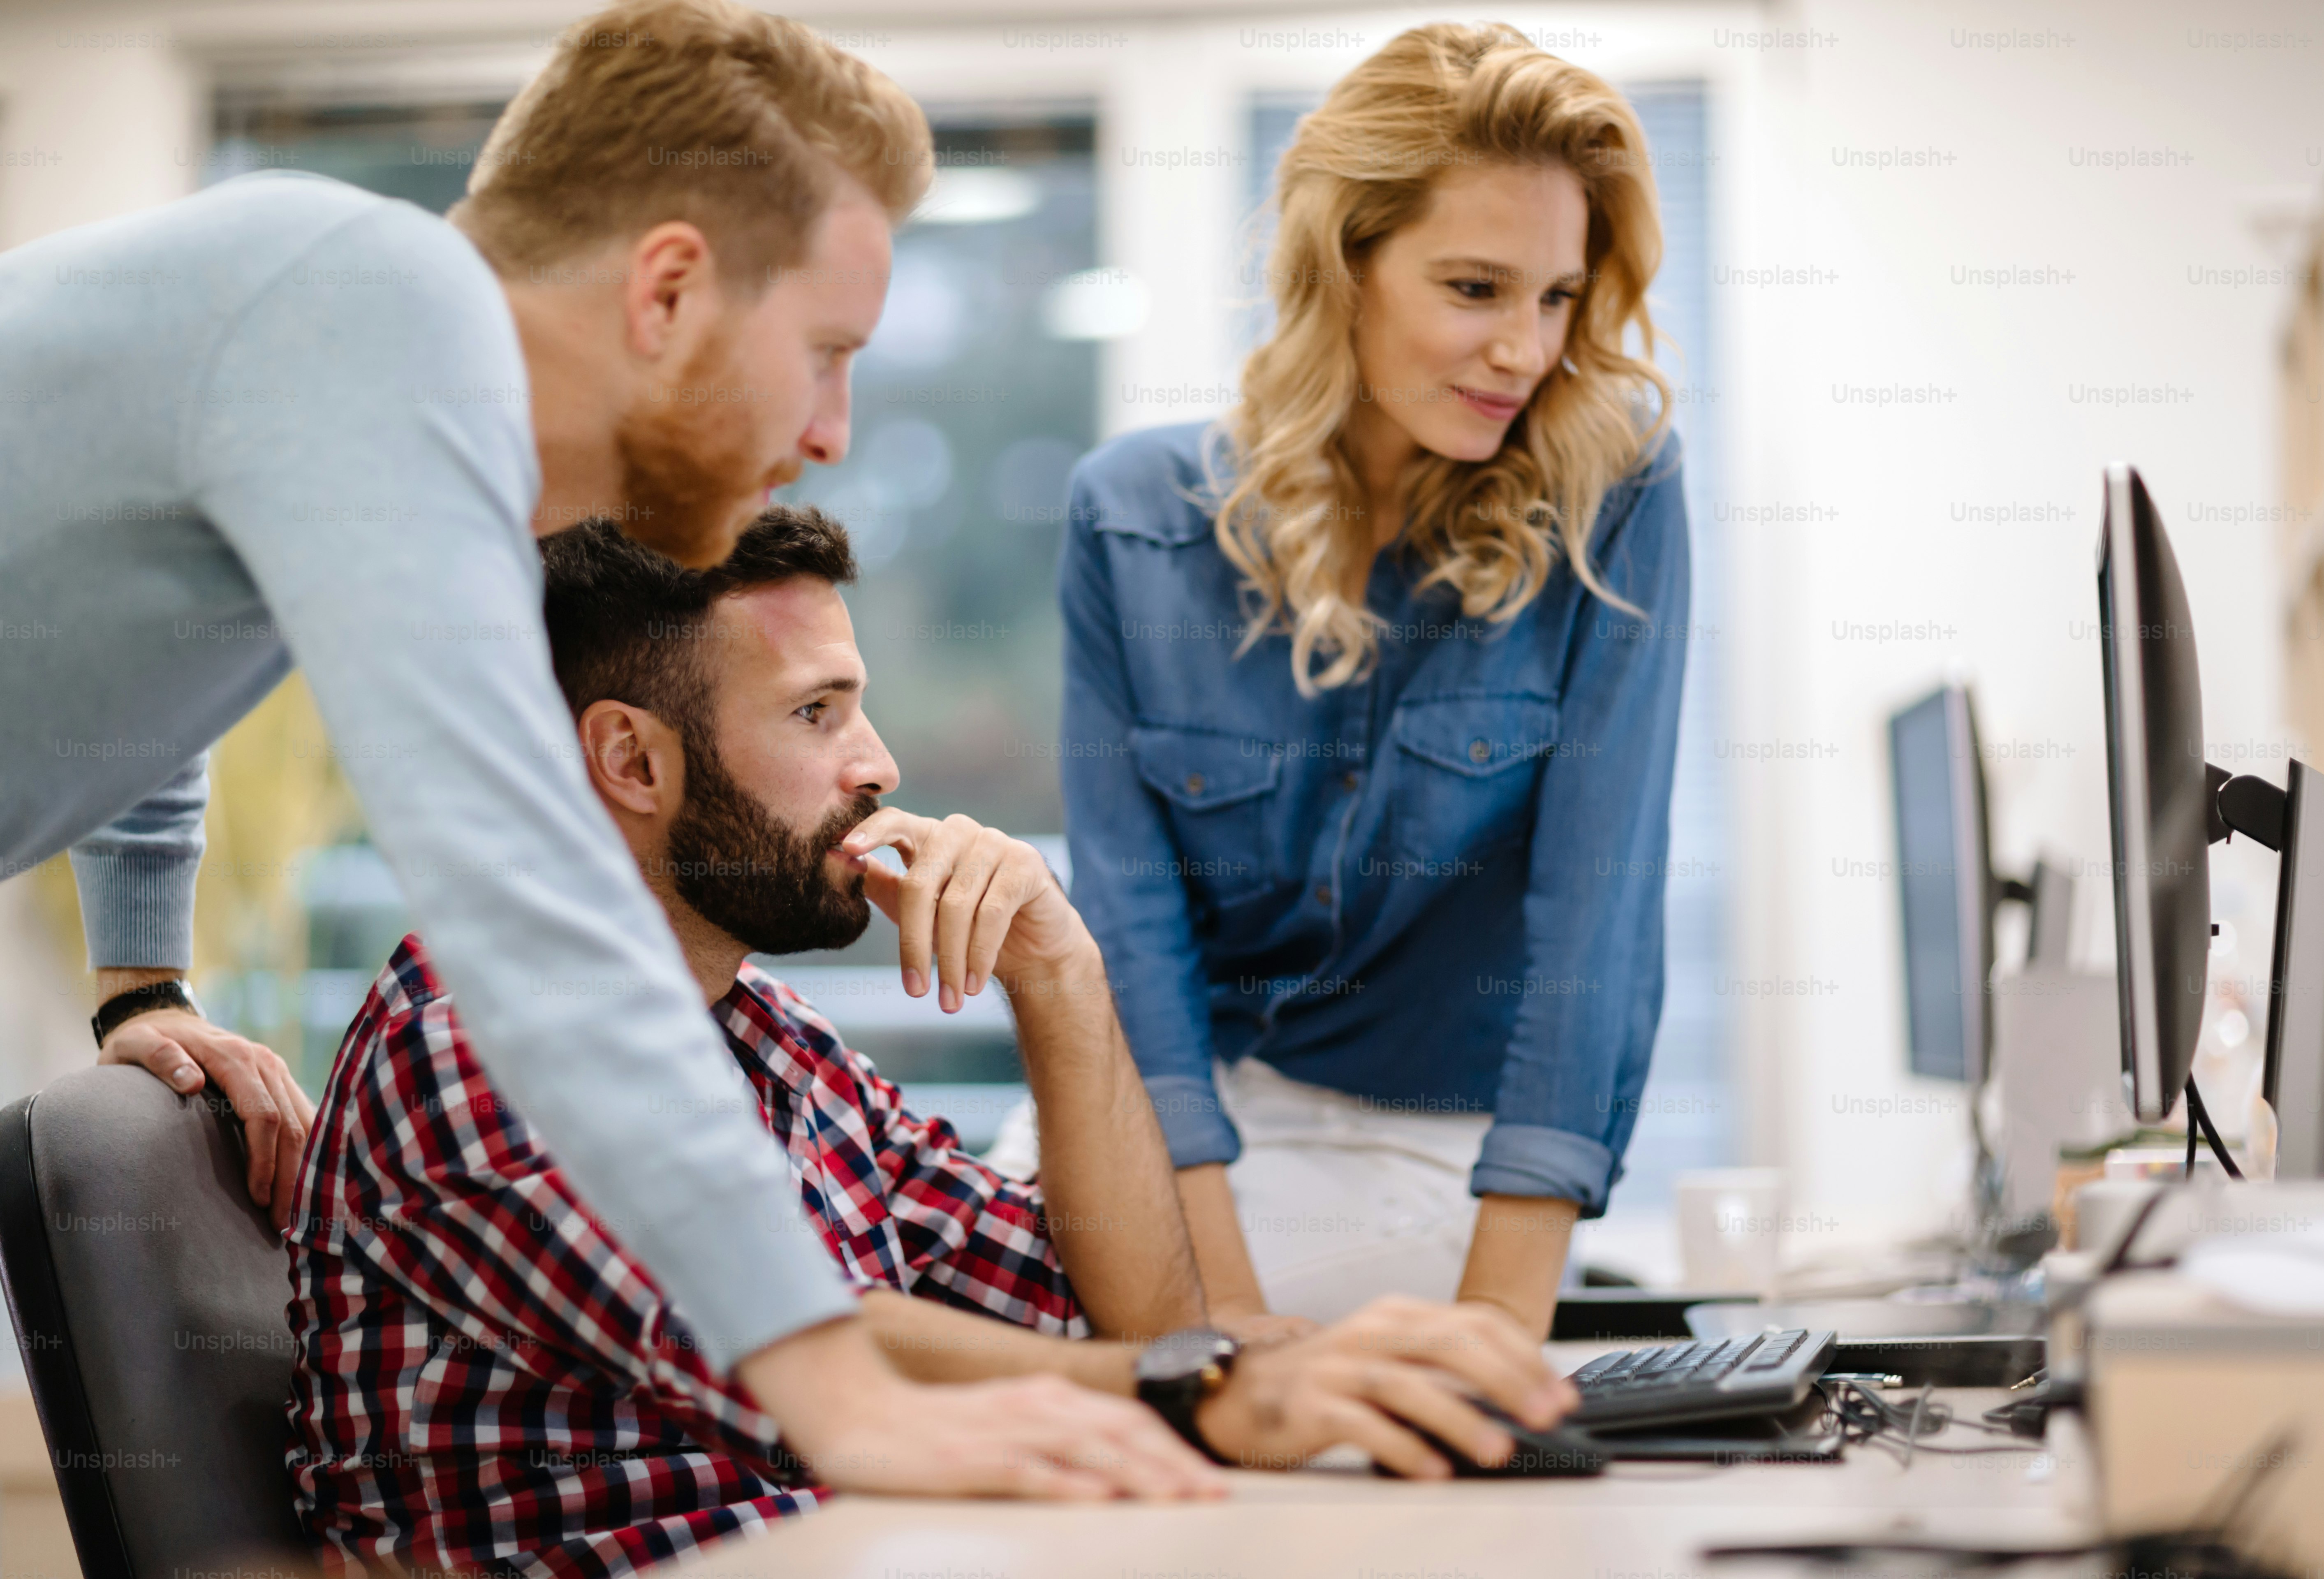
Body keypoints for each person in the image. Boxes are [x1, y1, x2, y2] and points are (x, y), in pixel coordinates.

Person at [0, 0, 1197, 1496]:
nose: (831, 428)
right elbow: (524, 898)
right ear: (672, 292)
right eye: (827, 352)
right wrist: (837, 1389)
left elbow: (157, 653)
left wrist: (140, 975)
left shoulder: (328, 361)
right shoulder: (374, 316)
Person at [285, 511, 1576, 1574]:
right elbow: (795, 1338)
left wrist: (1059, 979)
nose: (878, 764)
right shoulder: (466, 1044)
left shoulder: (773, 1044)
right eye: (816, 715)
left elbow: (1121, 1320)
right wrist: (1200, 1391)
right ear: (631, 758)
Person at [1058, 23, 1691, 1338]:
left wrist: (1502, 1331)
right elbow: (1131, 926)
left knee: (1066, 1358)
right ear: (1343, 266)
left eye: (1559, 296)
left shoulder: (1613, 489)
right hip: (1187, 1129)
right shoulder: (1132, 517)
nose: (1528, 350)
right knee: (962, 1305)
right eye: (1476, 289)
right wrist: (1219, 1322)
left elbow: (1600, 907)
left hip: (1439, 1151)